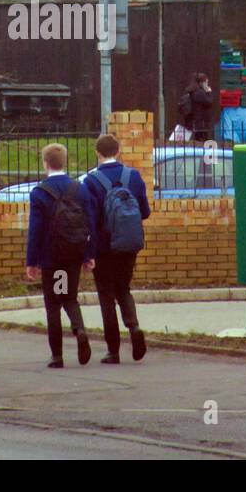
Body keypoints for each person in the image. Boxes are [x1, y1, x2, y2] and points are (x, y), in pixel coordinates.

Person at [26, 143, 96, 368]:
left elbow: (35, 230)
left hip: (52, 257)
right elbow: (89, 223)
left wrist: (32, 262)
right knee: (69, 296)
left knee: (54, 304)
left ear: (45, 163)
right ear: (64, 162)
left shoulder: (40, 192)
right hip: (74, 253)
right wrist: (89, 254)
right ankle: (80, 329)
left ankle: (57, 356)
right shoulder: (80, 189)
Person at [84, 133, 151, 364]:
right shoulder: (133, 175)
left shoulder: (91, 180)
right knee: (124, 288)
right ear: (118, 151)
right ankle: (134, 328)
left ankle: (113, 350)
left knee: (106, 295)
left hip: (104, 247)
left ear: (97, 152)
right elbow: (145, 211)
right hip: (129, 244)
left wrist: (89, 252)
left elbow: (90, 220)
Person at [179, 72, 214, 142]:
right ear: (202, 82)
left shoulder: (191, 90)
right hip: (200, 122)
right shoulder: (199, 93)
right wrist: (209, 92)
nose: (207, 84)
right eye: (206, 82)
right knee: (201, 141)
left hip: (192, 120)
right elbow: (209, 102)